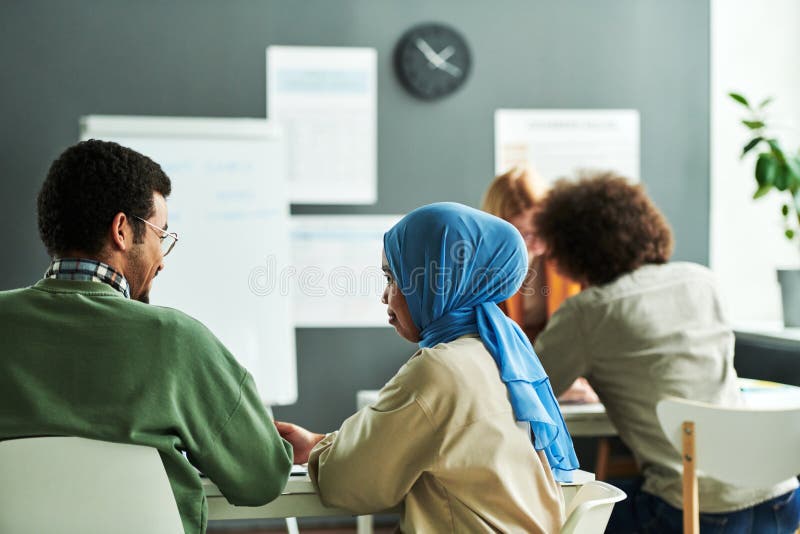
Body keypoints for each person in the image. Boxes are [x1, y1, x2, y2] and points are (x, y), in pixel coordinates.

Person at [0, 140, 293, 534]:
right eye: (161, 234)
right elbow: (261, 479)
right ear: (122, 230)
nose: (162, 258)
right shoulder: (177, 340)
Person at [276, 202, 578, 533]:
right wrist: (319, 444)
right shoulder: (502, 353)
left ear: (435, 281)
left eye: (392, 277)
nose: (384, 296)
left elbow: (348, 485)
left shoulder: (440, 370)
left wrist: (321, 455)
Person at [532, 171, 800, 533]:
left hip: (691, 512)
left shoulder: (588, 311)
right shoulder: (701, 280)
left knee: (560, 513)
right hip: (782, 499)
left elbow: (528, 389)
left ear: (568, 248)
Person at [482, 166, 597, 403]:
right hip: (510, 378)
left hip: (574, 375)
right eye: (523, 234)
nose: (537, 244)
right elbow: (487, 343)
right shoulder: (483, 269)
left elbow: (593, 328)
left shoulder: (575, 257)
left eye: (541, 230)